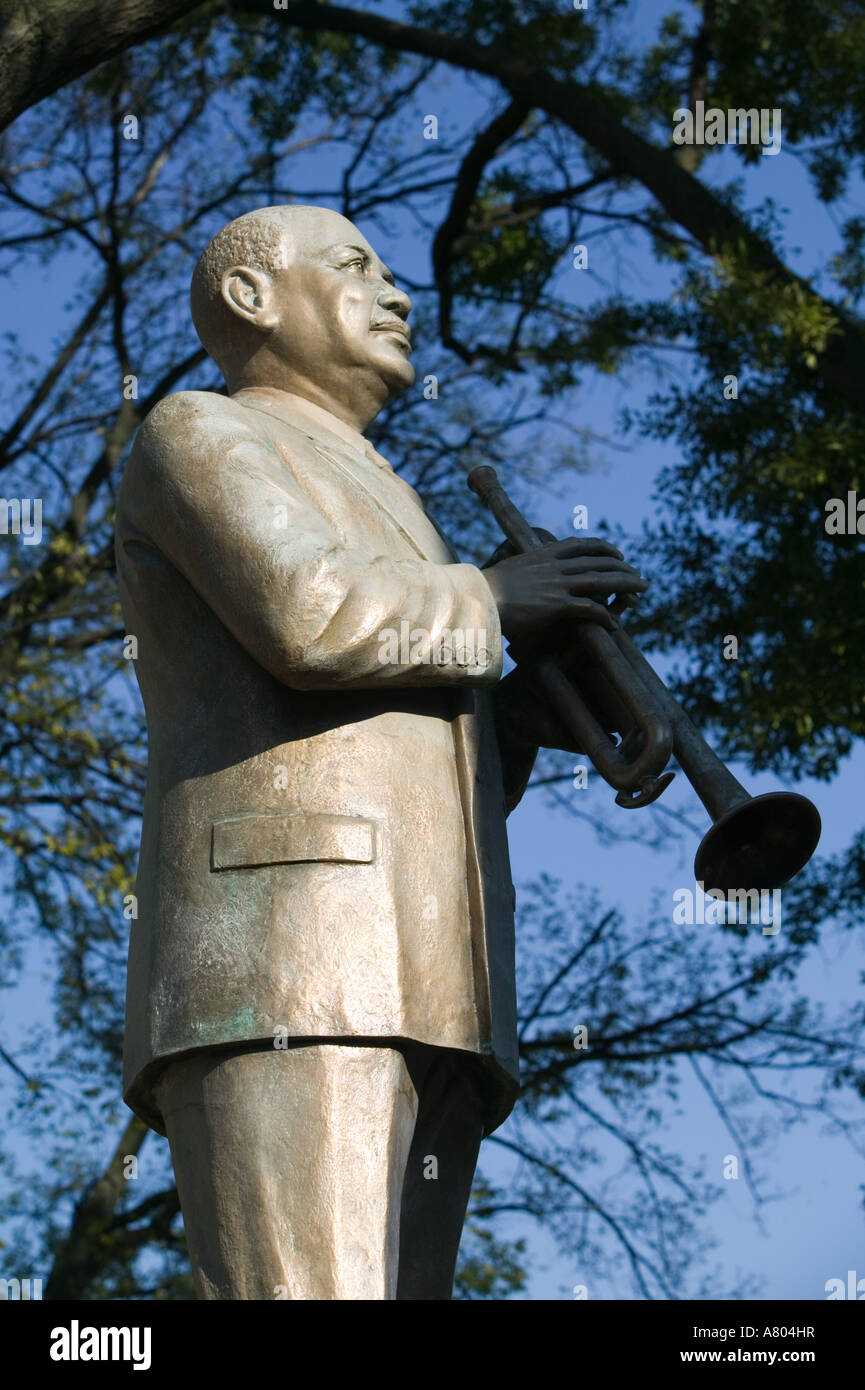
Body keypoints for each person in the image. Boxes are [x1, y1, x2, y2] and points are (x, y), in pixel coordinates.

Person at [115, 205, 647, 1299]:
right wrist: (492, 601)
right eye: (358, 266)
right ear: (254, 299)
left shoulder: (398, 500)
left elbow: (395, 756)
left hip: (439, 979)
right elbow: (309, 615)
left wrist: (519, 723)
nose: (399, 294)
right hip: (281, 971)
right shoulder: (201, 430)